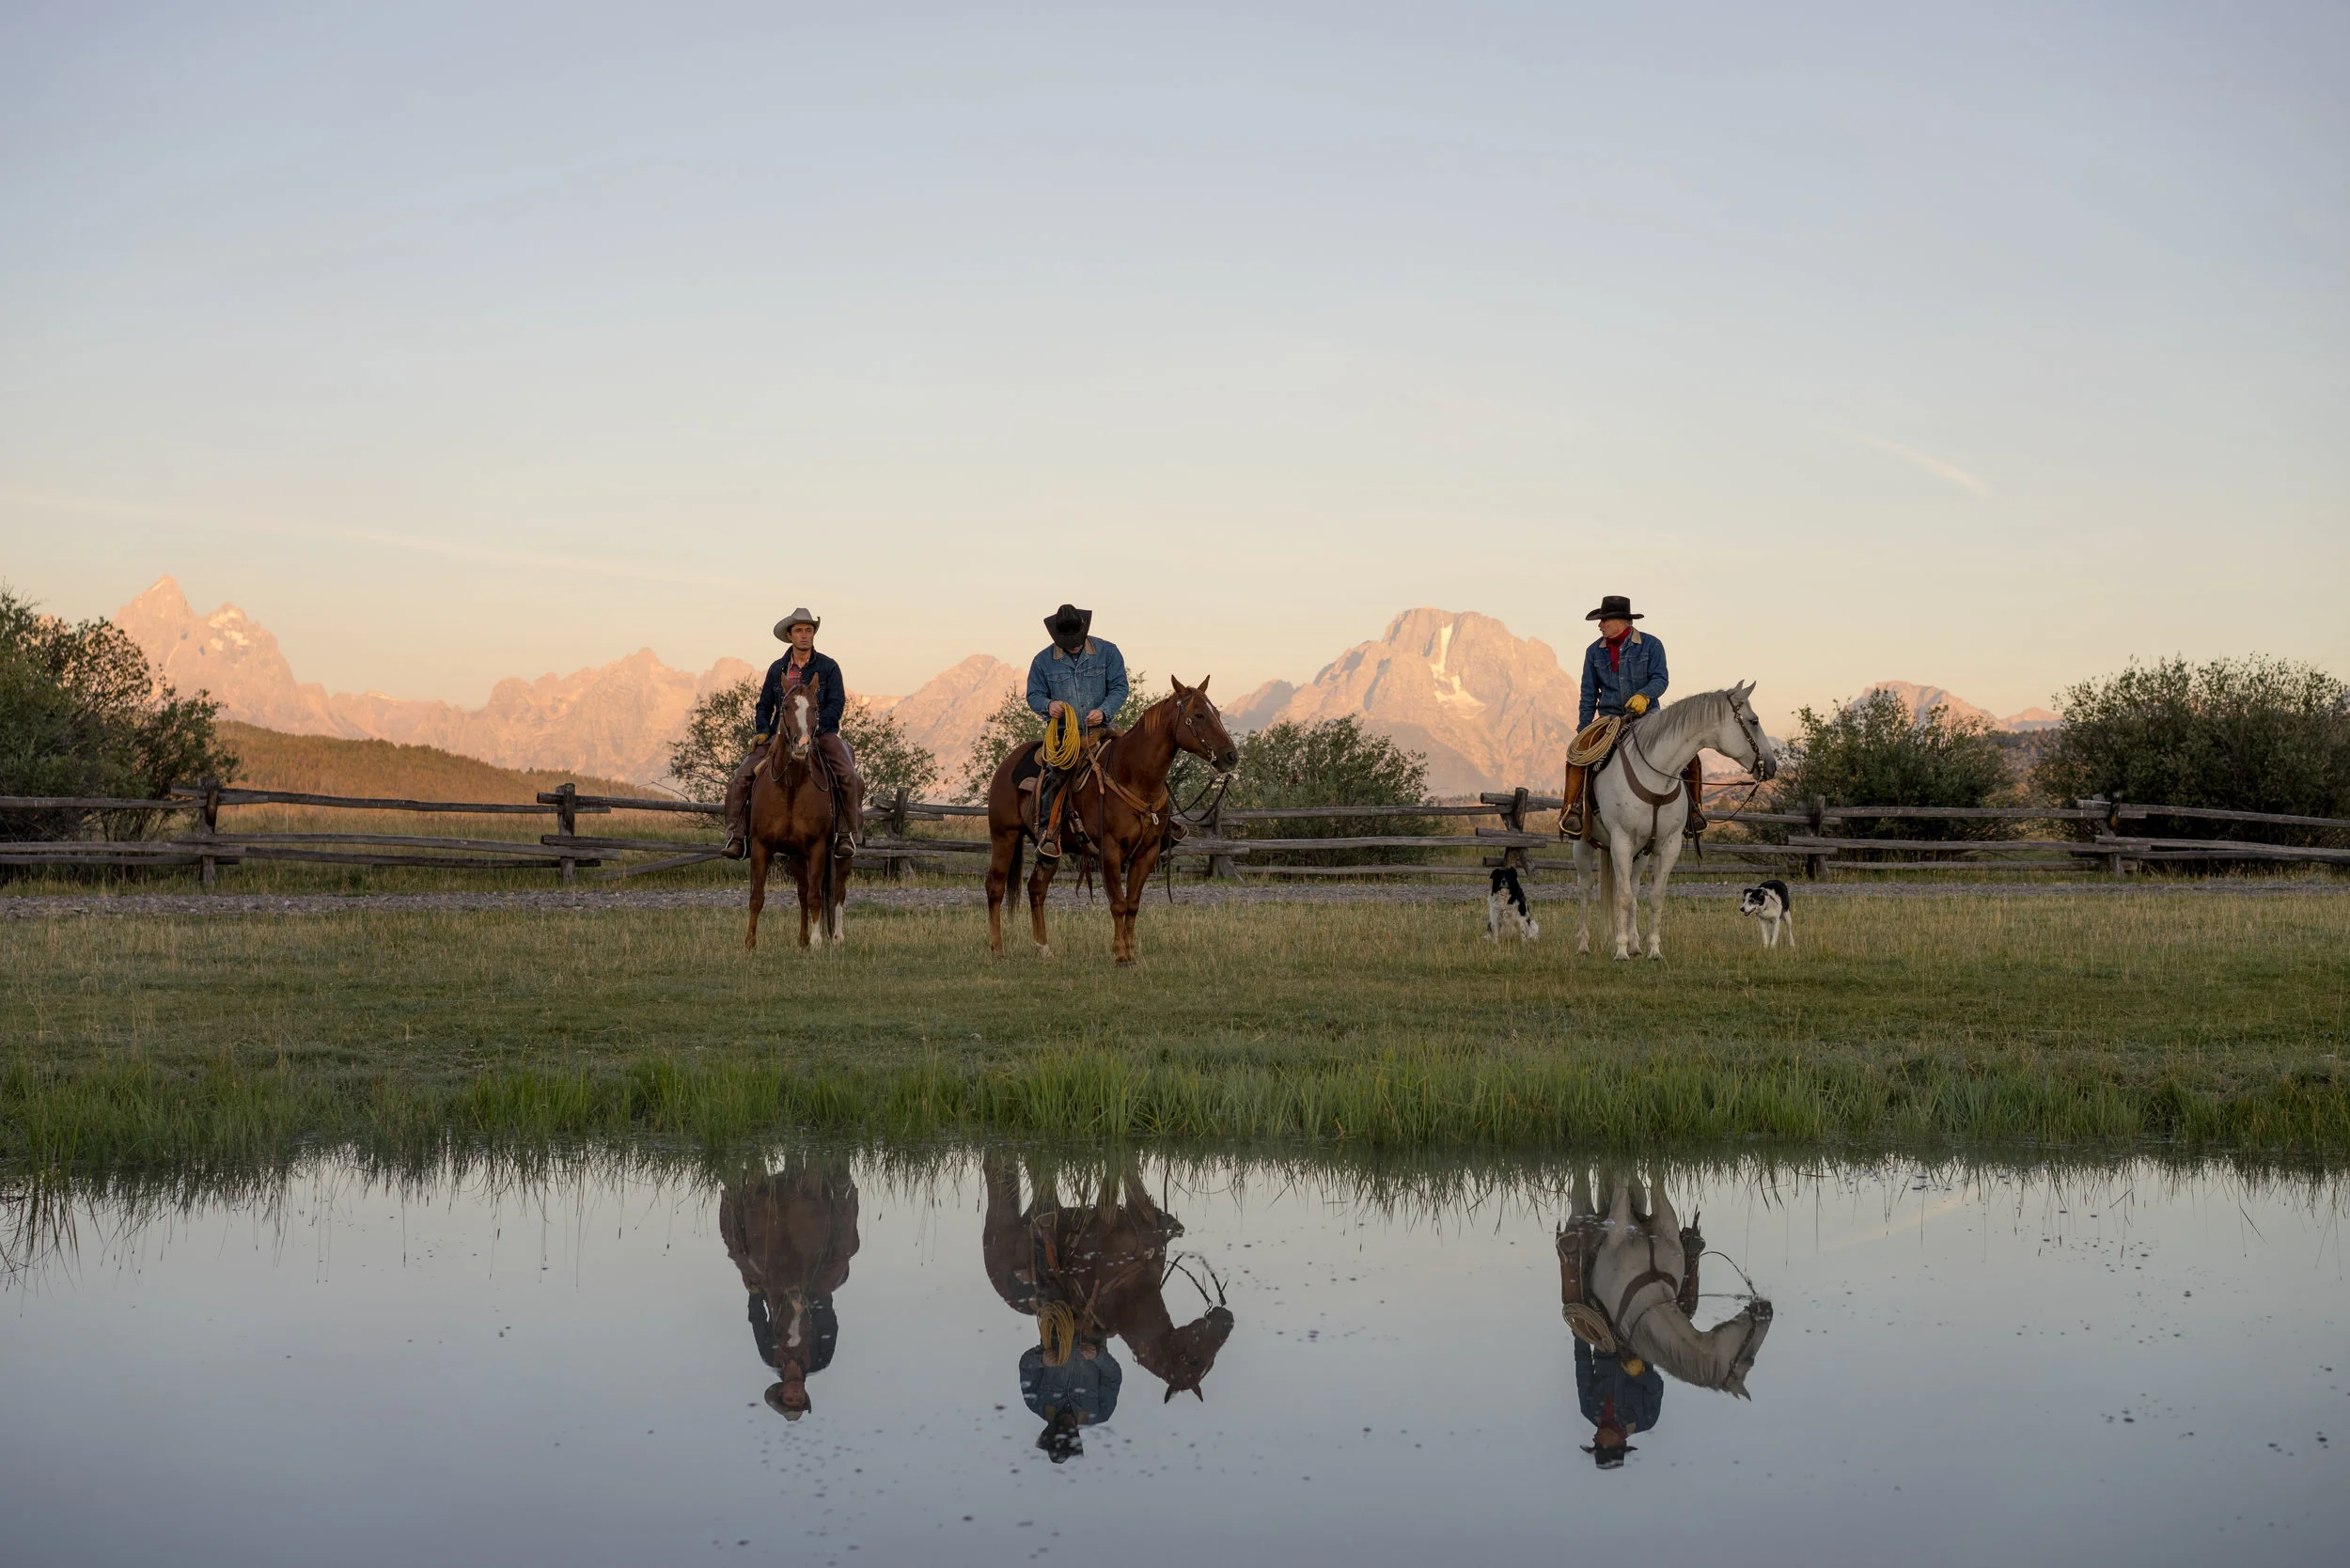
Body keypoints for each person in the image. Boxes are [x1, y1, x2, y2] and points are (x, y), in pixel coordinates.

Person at [719, 1157, 860, 1421]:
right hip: (813, 1293)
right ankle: (840, 1187)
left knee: (736, 1251)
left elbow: (758, 1321)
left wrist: (754, 1292)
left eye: (789, 1398)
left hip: (776, 1296)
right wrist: (815, 1300)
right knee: (842, 1254)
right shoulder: (820, 1359)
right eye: (799, 1399)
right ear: (805, 1395)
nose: (795, 1395)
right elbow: (830, 1327)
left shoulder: (770, 1356)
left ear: (781, 1391)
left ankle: (735, 1189)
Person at [1559, 594, 1705, 839]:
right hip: (1610, 719)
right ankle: (1573, 810)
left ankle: (1694, 811)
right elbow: (1588, 693)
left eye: (1604, 620)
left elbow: (1660, 678)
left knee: (1690, 755)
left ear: (1622, 621)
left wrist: (1644, 696)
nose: (1600, 625)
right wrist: (1584, 728)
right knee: (1577, 756)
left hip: (1649, 716)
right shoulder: (1594, 652)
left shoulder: (1651, 645)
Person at [722, 608, 866, 859]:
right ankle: (737, 836)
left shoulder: (829, 667)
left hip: (822, 734)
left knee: (849, 776)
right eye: (799, 630)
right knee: (742, 775)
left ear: (813, 634)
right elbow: (764, 705)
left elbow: (836, 703)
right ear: (790, 635)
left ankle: (846, 834)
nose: (804, 635)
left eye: (808, 630)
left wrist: (813, 728)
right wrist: (763, 731)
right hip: (783, 737)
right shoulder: (777, 668)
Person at [1025, 604, 1128, 865]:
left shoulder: (1108, 652)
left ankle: (1161, 824)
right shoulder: (1042, 661)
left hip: (1102, 729)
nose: (1072, 645)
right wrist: (1049, 705)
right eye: (1067, 641)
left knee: (1141, 760)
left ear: (1084, 631)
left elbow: (1119, 687)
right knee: (1056, 775)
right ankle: (1050, 833)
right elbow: (1034, 695)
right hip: (1064, 735)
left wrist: (1104, 711)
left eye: (1076, 640)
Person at [1575, 1338, 1663, 1468]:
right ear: (1618, 1443)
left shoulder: (1588, 1409)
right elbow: (1656, 1386)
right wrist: (1640, 1374)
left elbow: (1583, 1366)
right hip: (1638, 1342)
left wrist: (1580, 1335)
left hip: (1604, 1339)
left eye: (1595, 1444)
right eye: (1599, 1445)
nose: (1594, 1440)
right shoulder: (1645, 1420)